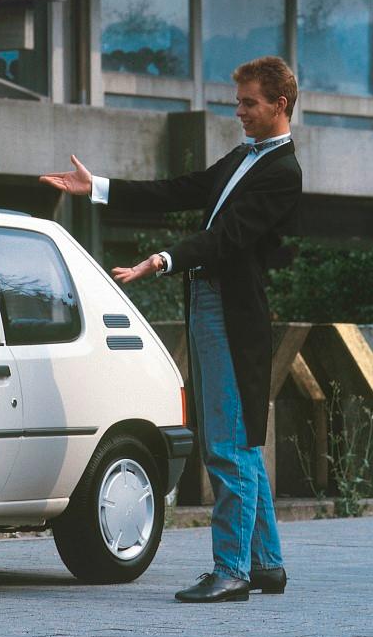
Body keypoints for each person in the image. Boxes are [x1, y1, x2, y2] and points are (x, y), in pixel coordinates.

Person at [40, 56, 302, 603]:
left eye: (249, 103)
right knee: (241, 439)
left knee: (228, 442)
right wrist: (100, 188)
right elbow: (181, 189)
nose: (240, 112)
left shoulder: (282, 171)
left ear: (279, 105)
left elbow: (226, 238)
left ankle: (232, 570)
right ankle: (267, 563)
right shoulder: (246, 158)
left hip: (230, 310)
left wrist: (160, 260)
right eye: (238, 102)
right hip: (213, 302)